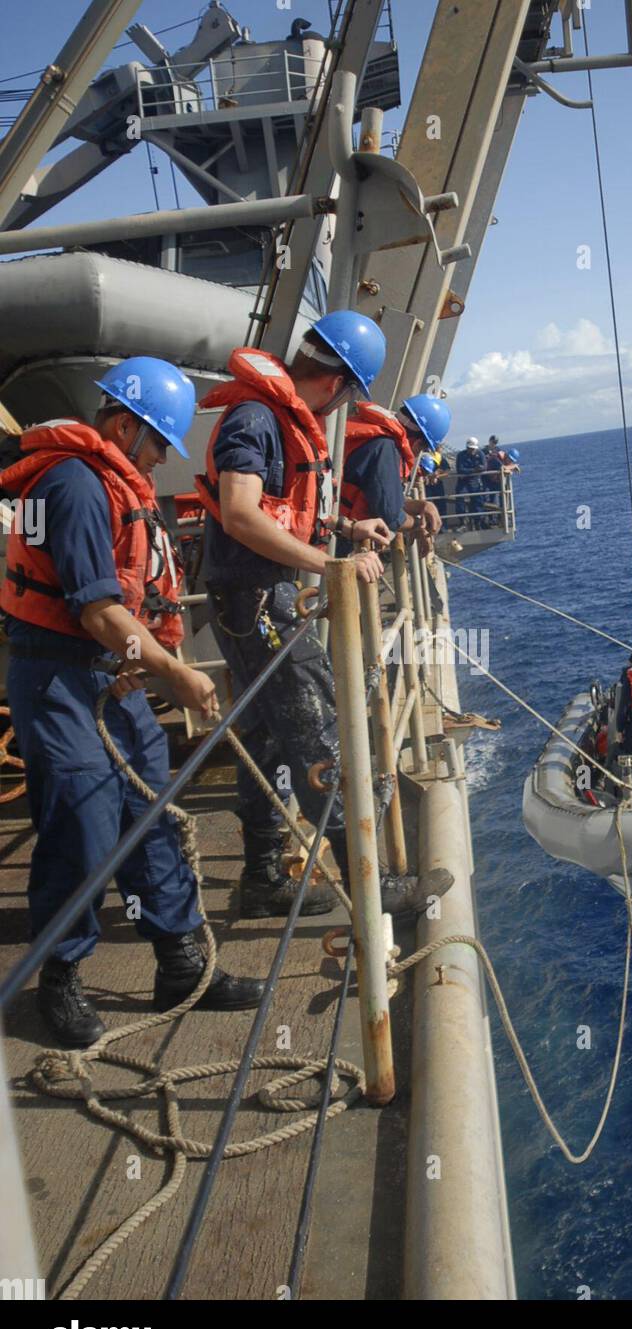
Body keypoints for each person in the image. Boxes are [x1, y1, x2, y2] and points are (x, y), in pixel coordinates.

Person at [0, 357, 265, 1047]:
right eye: (154, 447)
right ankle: (58, 978)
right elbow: (94, 609)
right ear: (124, 426)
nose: (155, 464)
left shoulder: (108, 480)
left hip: (109, 672)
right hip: (59, 675)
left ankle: (179, 962)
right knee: (83, 822)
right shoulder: (76, 485)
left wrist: (141, 669)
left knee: (153, 803)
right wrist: (177, 674)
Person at [196, 312, 454, 920]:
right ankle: (376, 890)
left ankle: (262, 878)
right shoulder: (257, 419)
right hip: (259, 603)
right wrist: (329, 563)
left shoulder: (274, 419)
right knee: (325, 736)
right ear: (338, 384)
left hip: (250, 600)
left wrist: (343, 525)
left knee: (264, 737)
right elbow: (239, 513)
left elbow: (283, 507)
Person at [338, 393, 450, 557]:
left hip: (335, 526)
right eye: (422, 449)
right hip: (335, 540)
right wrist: (418, 525)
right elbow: (391, 516)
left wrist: (422, 506)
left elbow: (384, 497)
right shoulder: (385, 448)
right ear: (419, 443)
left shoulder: (377, 437)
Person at [454, 436, 486, 529]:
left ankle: (478, 522)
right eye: (470, 448)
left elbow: (484, 466)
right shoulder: (461, 455)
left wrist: (474, 470)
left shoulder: (480, 454)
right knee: (460, 499)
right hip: (463, 481)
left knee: (477, 501)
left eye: (473, 449)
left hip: (475, 481)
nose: (471, 450)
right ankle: (463, 522)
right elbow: (460, 469)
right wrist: (474, 470)